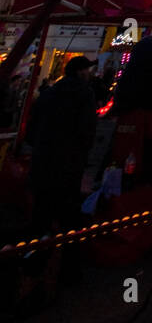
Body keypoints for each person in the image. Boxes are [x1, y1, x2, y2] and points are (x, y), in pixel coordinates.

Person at [27, 55, 98, 236]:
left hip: (43, 159)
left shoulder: (49, 92)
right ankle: (61, 249)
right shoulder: (85, 94)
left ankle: (33, 249)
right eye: (87, 70)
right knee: (66, 211)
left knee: (41, 210)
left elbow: (32, 125)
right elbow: (87, 129)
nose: (90, 73)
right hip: (68, 162)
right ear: (80, 71)